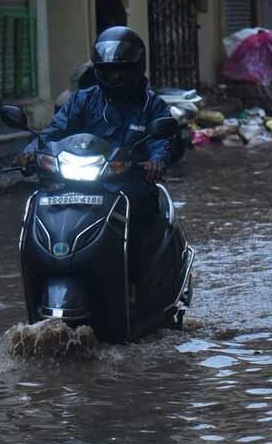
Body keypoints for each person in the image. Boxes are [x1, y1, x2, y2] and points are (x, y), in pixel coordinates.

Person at [13, 27, 172, 267]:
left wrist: (156, 161)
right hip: (77, 181)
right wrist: (31, 151)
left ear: (136, 69)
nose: (115, 78)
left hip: (128, 183)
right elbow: (53, 133)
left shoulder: (152, 105)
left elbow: (161, 141)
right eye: (108, 72)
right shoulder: (82, 99)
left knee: (142, 213)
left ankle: (138, 278)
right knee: (40, 203)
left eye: (122, 71)